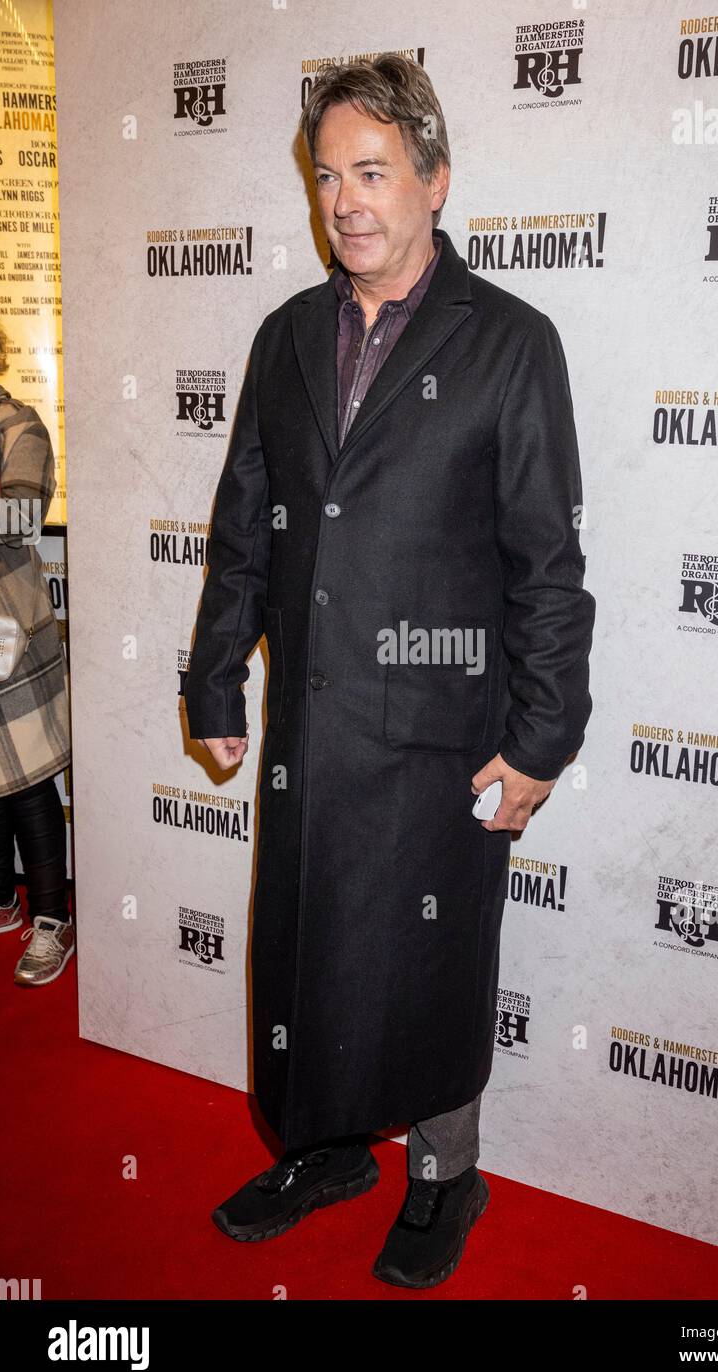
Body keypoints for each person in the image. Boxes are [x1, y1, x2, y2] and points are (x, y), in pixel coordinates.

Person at [183, 53, 595, 1290]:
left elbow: (547, 570)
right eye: (327, 176)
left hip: (438, 735)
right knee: (303, 950)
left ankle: (440, 1174)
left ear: (434, 180)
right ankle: (324, 1149)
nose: (346, 201)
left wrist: (537, 743)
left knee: (426, 964)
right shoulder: (285, 336)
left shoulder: (512, 344)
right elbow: (243, 518)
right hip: (314, 729)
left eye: (372, 172)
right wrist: (213, 682)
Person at [0, 323, 73, 985]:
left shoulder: (18, 425)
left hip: (7, 634)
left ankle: (52, 919)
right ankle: (2, 900)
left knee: (25, 782)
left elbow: (22, 518)